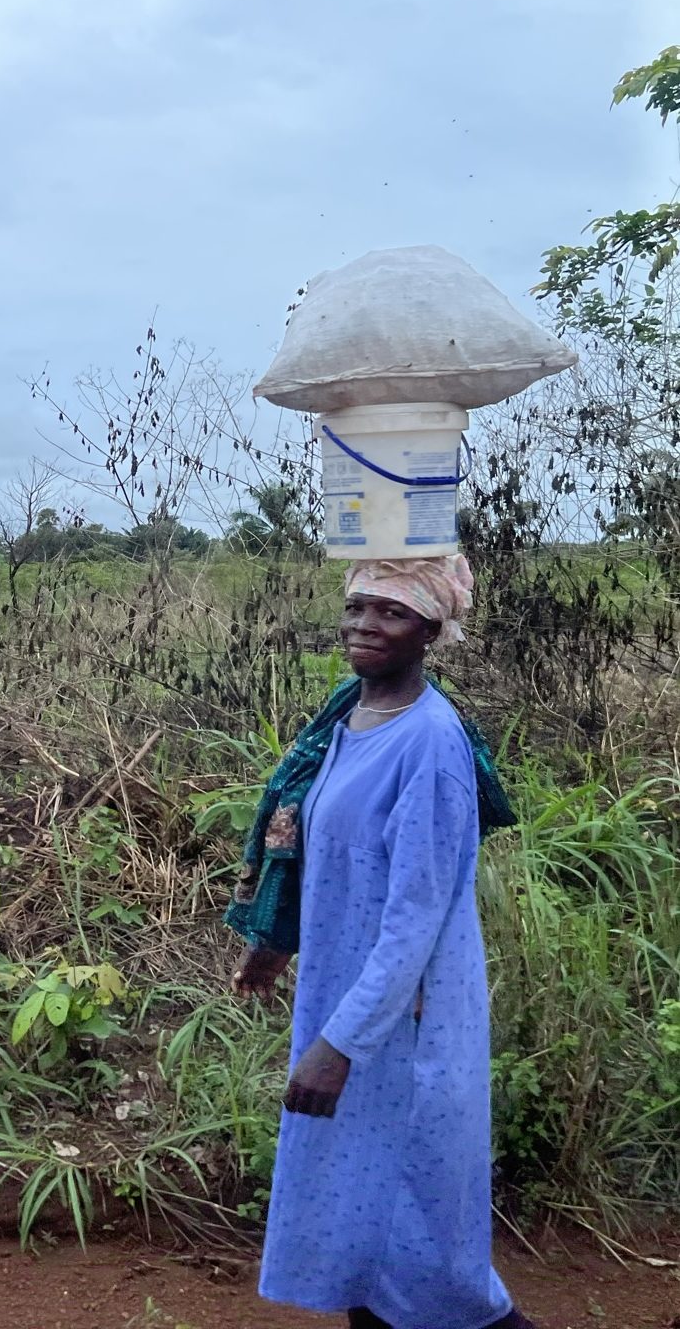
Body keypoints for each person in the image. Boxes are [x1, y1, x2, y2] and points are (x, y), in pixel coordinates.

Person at [227, 555, 535, 1329]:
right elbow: (315, 850)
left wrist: (341, 1045)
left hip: (403, 1017)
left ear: (432, 631)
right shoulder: (346, 719)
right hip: (346, 995)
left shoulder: (430, 743)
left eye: (392, 613)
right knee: (364, 1216)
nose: (366, 626)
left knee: (419, 1229)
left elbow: (416, 917)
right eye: (359, 607)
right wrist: (275, 944)